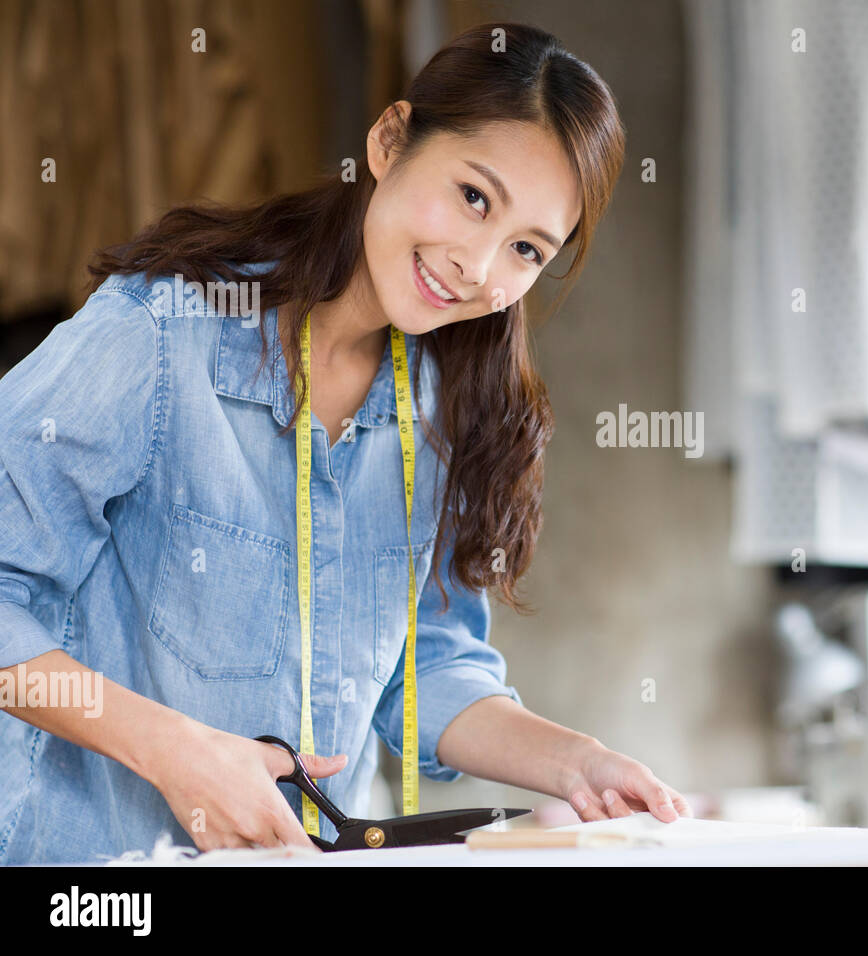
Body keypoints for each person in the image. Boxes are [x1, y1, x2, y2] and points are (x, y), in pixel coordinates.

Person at [0, 21, 689, 865]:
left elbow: (424, 669)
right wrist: (175, 751)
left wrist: (576, 762)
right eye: (475, 197)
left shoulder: (443, 411)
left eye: (525, 249)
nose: (478, 267)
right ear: (390, 141)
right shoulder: (160, 333)